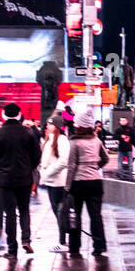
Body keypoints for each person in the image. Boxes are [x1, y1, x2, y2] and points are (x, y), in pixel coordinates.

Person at [0, 103, 42, 260]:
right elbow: (37, 155)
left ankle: (12, 248)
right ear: (19, 115)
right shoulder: (28, 133)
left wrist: (0, 170)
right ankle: (26, 240)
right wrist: (28, 167)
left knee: (10, 213)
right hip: (24, 178)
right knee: (24, 210)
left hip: (6, 180)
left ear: (3, 115)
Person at [65, 108, 109, 257]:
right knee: (96, 215)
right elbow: (106, 158)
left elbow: (71, 165)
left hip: (78, 183)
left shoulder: (75, 142)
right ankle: (99, 245)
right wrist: (96, 167)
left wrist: (67, 186)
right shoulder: (96, 140)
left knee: (75, 215)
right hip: (96, 181)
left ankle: (75, 246)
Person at [39, 119, 71, 253]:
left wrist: (47, 172)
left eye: (51, 124)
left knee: (60, 212)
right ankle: (63, 240)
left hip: (58, 181)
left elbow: (64, 160)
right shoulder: (49, 140)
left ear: (57, 127)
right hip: (51, 181)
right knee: (57, 211)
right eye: (47, 124)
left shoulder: (62, 140)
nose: (47, 126)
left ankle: (63, 241)